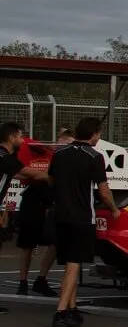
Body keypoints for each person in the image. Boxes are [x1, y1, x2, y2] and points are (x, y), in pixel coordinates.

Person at [45, 117, 120, 327]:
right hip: (82, 215)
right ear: (94, 133)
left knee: (70, 262)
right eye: (99, 133)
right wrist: (114, 209)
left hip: (61, 214)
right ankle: (60, 311)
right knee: (74, 264)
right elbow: (104, 191)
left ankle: (71, 307)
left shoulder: (59, 153)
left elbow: (51, 180)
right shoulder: (94, 156)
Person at [1, 123, 51, 315]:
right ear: (12, 137)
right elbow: (31, 173)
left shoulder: (6, 158)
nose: (23, 141)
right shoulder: (5, 158)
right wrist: (54, 177)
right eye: (20, 137)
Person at [14, 128, 71, 298]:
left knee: (54, 242)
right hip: (33, 200)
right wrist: (39, 175)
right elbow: (19, 171)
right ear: (58, 140)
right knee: (27, 244)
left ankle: (41, 279)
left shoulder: (63, 157)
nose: (65, 146)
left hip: (52, 202)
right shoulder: (42, 150)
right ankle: (22, 282)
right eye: (63, 142)